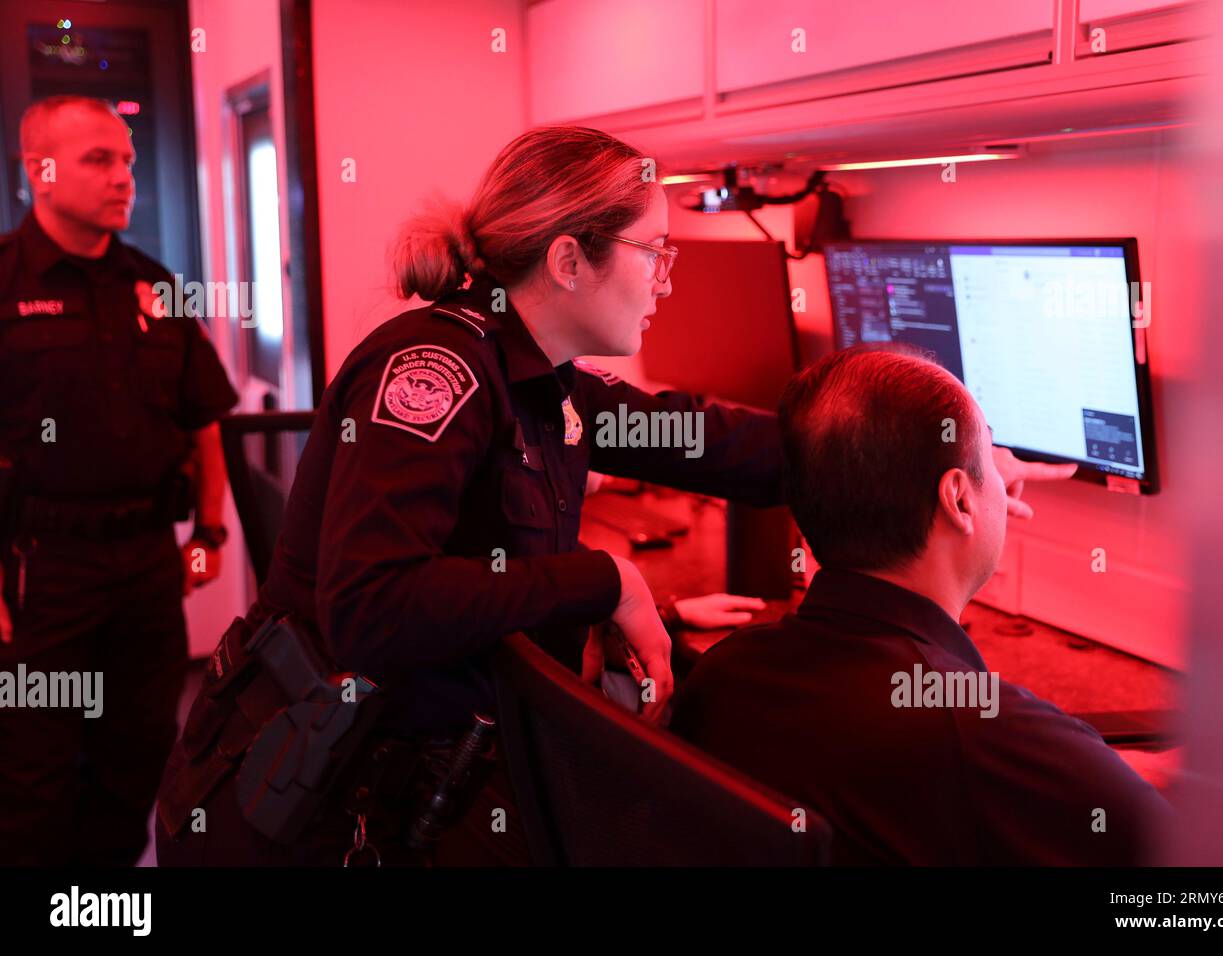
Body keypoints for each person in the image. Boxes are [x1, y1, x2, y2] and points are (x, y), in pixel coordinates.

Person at [154, 126, 1069, 867]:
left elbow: (715, 443)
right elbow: (372, 608)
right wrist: (607, 582)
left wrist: (950, 451)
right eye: (655, 253)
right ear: (567, 259)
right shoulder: (433, 367)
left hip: (422, 779)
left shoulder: (546, 384)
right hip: (310, 812)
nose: (666, 281)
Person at [670, 347, 1172, 865]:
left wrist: (1116, 770)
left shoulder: (723, 672)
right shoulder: (976, 729)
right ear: (958, 500)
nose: (1002, 479)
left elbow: (1036, 780)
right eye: (990, 456)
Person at [0, 96, 237, 866]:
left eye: (127, 159)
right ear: (39, 171)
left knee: (137, 758)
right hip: (40, 573)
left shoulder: (154, 284)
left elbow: (205, 419)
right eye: (98, 159)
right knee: (31, 776)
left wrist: (209, 534)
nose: (123, 177)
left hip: (145, 567)